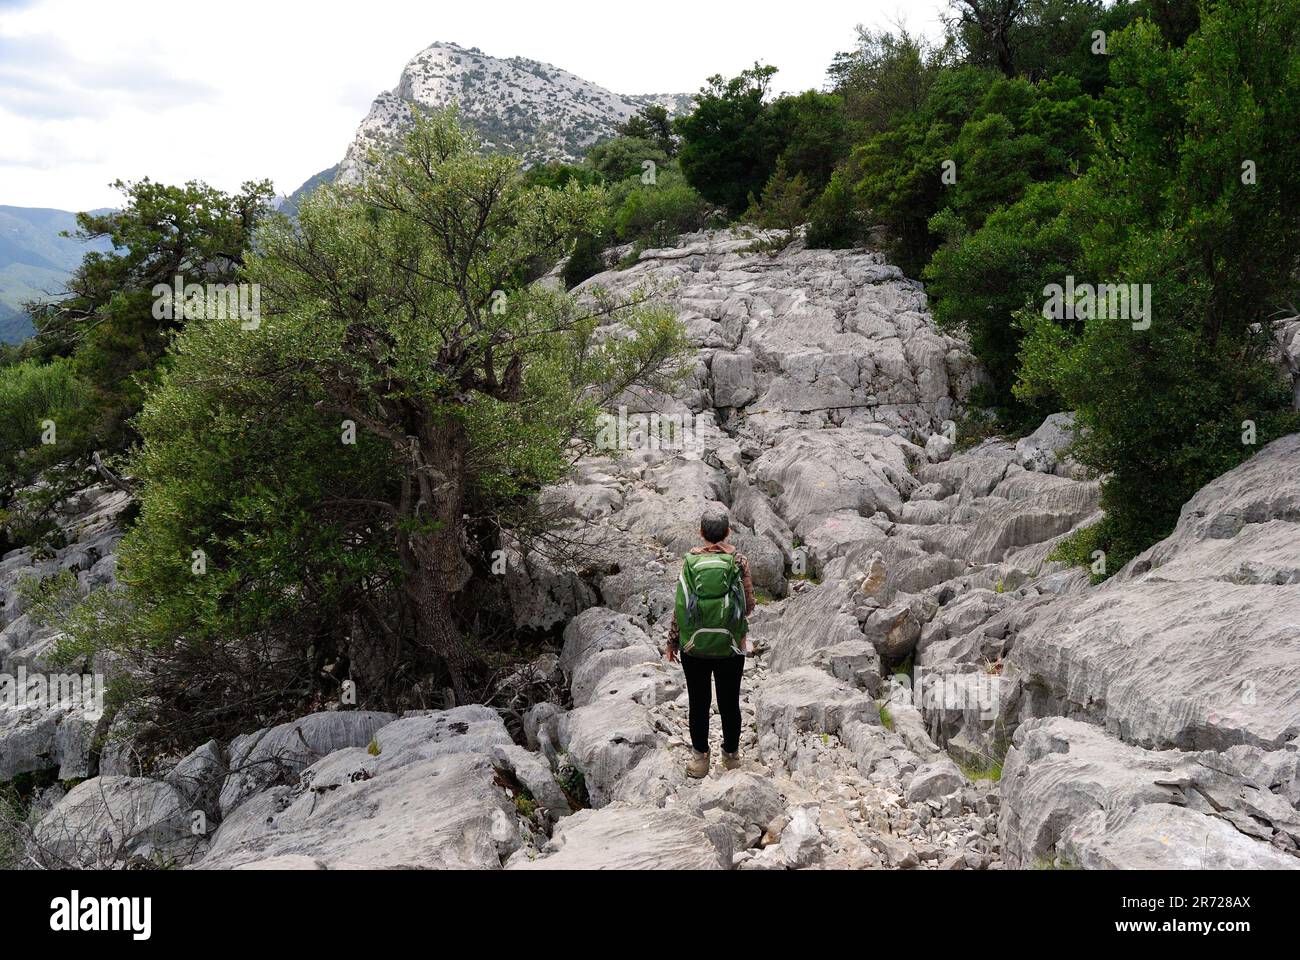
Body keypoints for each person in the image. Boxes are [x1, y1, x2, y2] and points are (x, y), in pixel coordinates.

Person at [665, 510, 755, 778]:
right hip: (731, 646)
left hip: (695, 647)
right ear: (728, 532)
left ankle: (700, 760)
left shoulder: (690, 563)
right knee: (729, 701)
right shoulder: (738, 561)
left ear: (701, 533)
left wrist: (672, 642)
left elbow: (680, 607)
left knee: (698, 701)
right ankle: (731, 757)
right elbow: (748, 606)